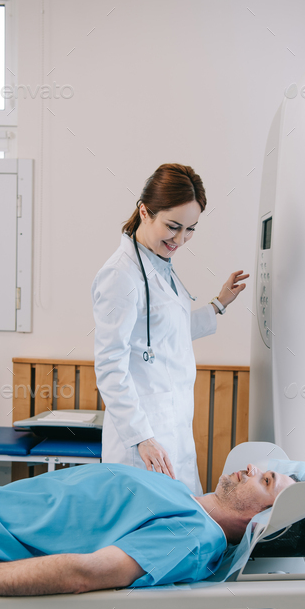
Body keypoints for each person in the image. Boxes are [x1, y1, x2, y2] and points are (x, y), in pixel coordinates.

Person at [0, 463, 296, 600]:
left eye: (265, 480)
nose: (253, 468)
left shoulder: (193, 536)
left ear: (260, 520)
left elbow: (85, 573)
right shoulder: (180, 493)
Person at [92, 163, 249, 495]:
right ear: (145, 211)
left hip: (173, 425)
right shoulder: (121, 275)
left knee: (181, 513)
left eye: (190, 229)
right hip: (143, 437)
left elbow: (166, 331)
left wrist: (218, 304)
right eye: (173, 226)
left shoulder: (160, 264)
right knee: (151, 518)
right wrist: (142, 438)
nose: (180, 239)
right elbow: (109, 365)